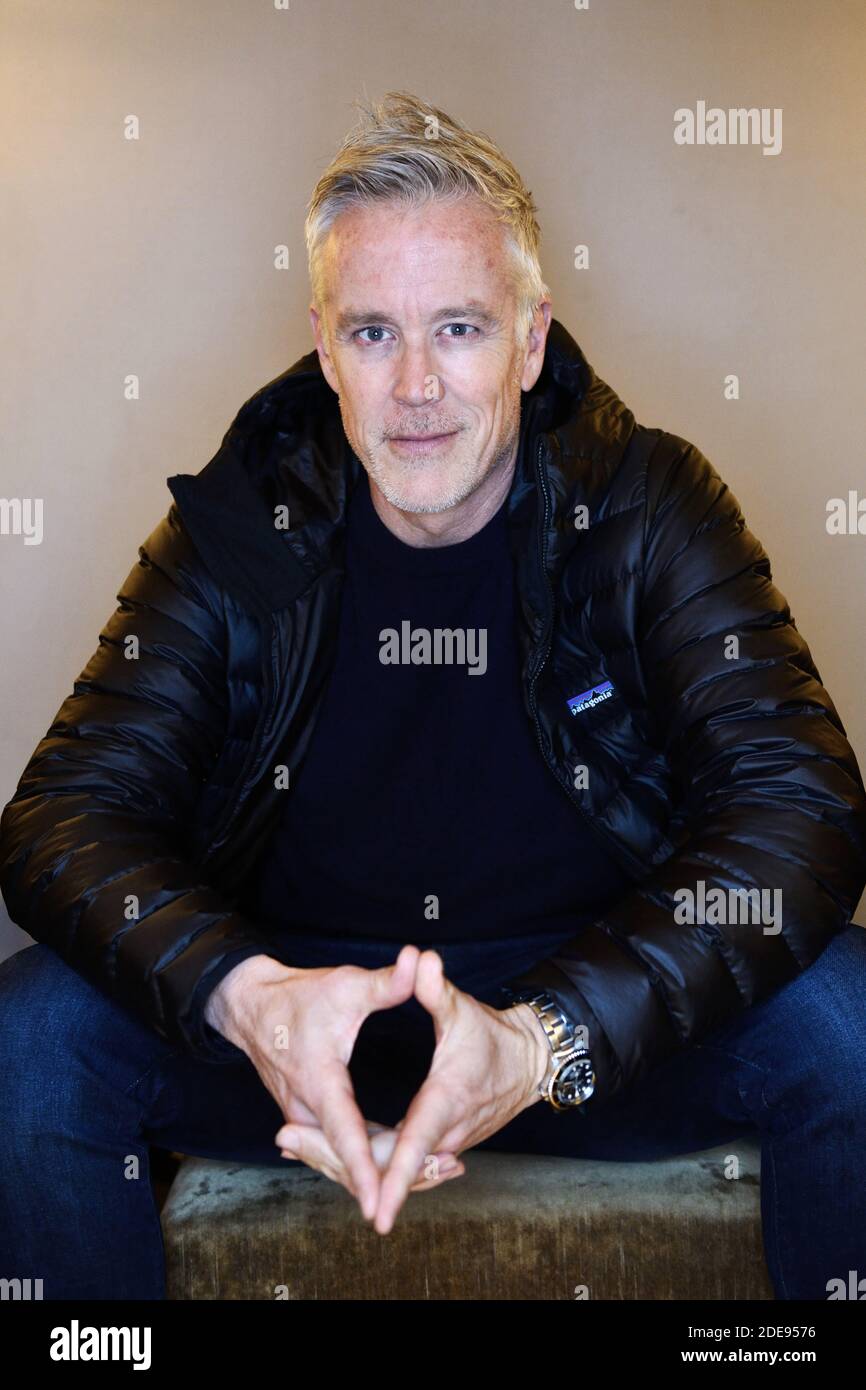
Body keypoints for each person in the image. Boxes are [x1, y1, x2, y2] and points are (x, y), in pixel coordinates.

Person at [1, 91, 865, 1302]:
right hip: (305, 1026)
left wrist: (543, 1037)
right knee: (36, 1031)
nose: (414, 385)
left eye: (458, 328)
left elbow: (800, 811)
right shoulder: (244, 524)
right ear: (324, 350)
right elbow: (61, 817)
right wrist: (246, 997)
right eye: (372, 333)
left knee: (845, 1017)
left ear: (529, 339)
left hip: (590, 1024)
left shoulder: (647, 502)